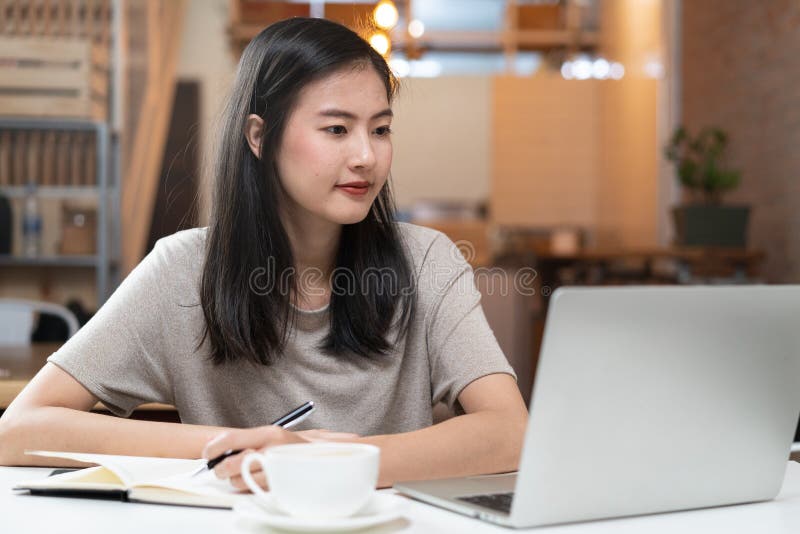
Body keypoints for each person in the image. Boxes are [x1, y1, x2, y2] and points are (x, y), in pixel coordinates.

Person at [0, 17, 527, 489]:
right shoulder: (182, 270)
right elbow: (18, 430)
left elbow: (510, 432)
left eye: (381, 129)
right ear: (260, 136)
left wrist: (315, 458)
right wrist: (240, 447)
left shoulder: (428, 261)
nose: (367, 155)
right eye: (337, 129)